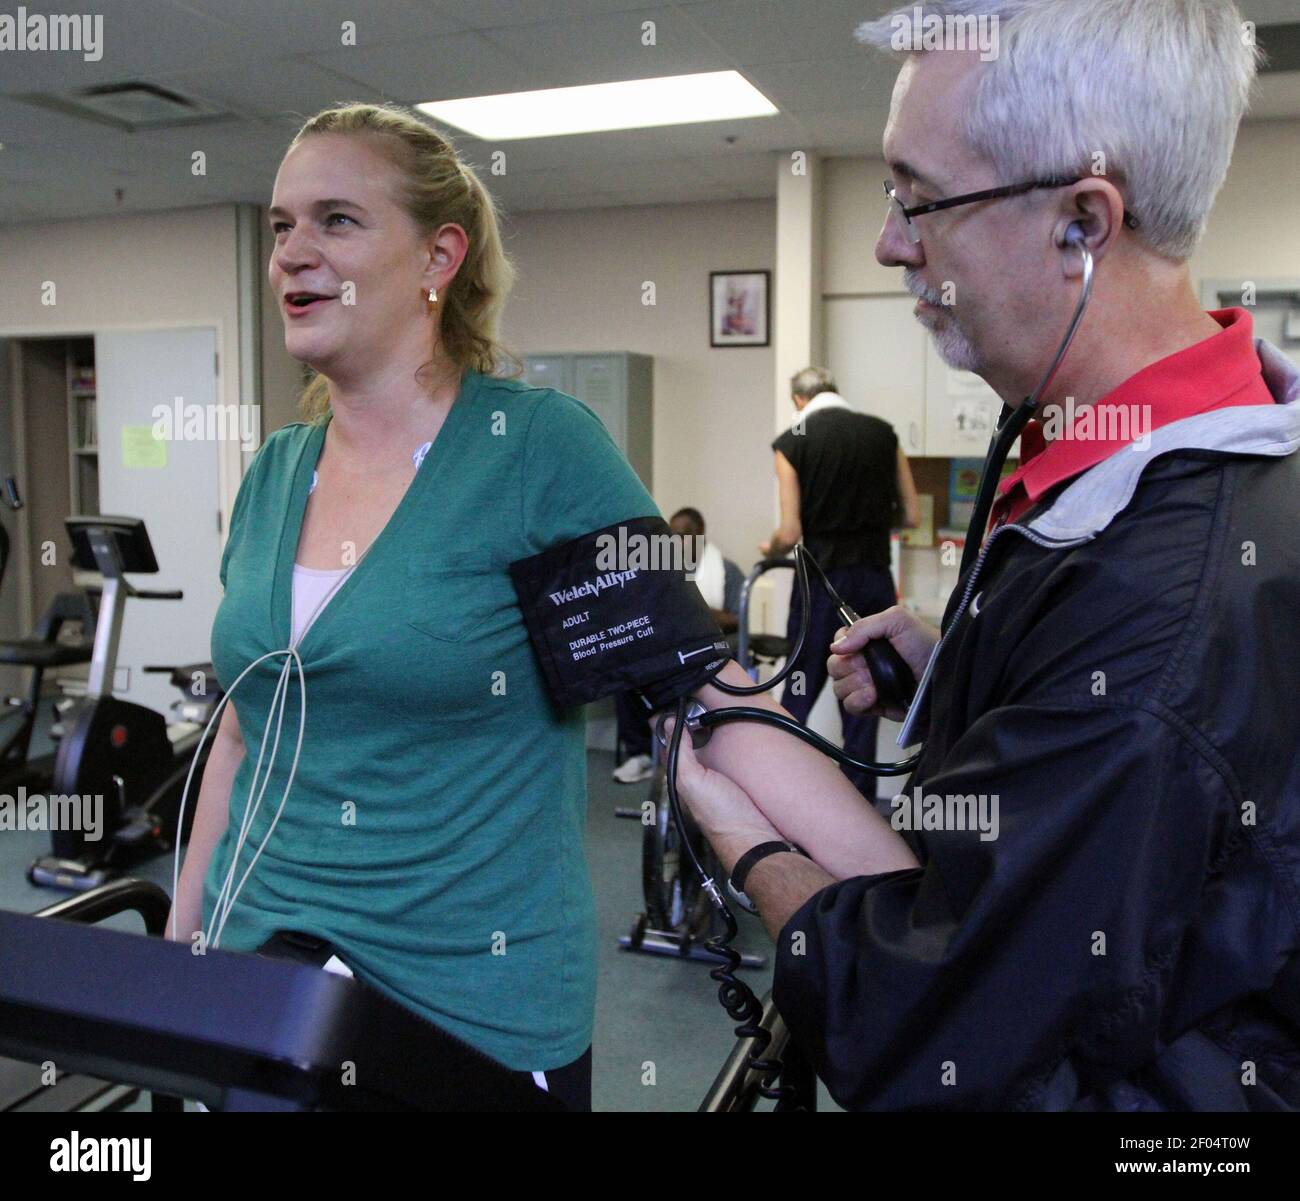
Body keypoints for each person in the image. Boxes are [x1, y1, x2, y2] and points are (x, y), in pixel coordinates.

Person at [669, 0, 1300, 1110]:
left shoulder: (1160, 605)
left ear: (1082, 221)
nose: (887, 241)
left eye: (921, 199)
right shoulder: (1115, 450)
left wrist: (732, 833)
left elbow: (920, 1026)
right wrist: (969, 662)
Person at [165, 102, 665, 1110]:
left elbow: (702, 703)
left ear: (440, 257)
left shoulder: (539, 449)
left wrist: (867, 892)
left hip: (465, 997)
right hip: (261, 962)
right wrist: (185, 938)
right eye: (279, 226)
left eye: (337, 221)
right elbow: (241, 730)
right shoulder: (275, 471)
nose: (293, 254)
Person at [764, 367, 920, 796]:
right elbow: (911, 516)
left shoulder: (791, 441)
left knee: (798, 691)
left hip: (820, 583)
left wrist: (769, 548)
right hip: (873, 580)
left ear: (799, 401)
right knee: (865, 696)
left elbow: (790, 532)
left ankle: (780, 798)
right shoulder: (883, 434)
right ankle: (859, 808)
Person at [612, 506, 743, 783]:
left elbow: (739, 619)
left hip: (708, 649)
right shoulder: (658, 567)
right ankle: (640, 755)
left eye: (682, 534)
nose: (675, 540)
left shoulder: (726, 570)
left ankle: (715, 754)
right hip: (665, 647)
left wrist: (694, 611)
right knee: (628, 668)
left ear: (700, 534)